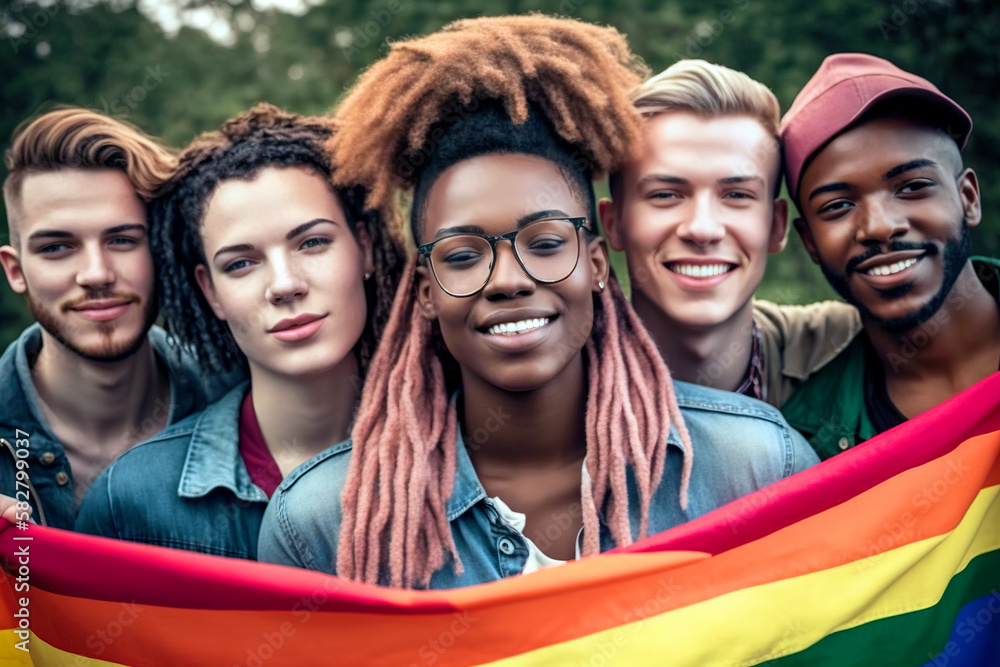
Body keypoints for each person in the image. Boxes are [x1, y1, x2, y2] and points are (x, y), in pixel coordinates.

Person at [257, 15, 819, 589]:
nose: (506, 280)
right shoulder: (319, 526)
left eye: (546, 243)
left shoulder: (758, 467)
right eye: (463, 255)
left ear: (596, 264)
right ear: (425, 292)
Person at [75, 105, 403, 558]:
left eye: (312, 242)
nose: (285, 285)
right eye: (241, 263)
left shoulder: (471, 456)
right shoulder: (130, 502)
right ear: (209, 291)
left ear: (364, 249)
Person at [0, 107, 228, 530]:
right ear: (16, 271)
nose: (97, 274)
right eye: (56, 247)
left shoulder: (239, 402)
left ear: (161, 249)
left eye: (122, 240)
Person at [601, 59, 860, 407]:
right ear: (614, 223)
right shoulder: (559, 374)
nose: (702, 229)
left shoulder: (851, 344)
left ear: (776, 226)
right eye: (665, 195)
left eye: (736, 195)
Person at [778, 53, 1000, 459]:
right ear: (809, 241)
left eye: (912, 186)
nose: (878, 226)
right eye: (837, 206)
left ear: (968, 198)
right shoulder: (804, 445)